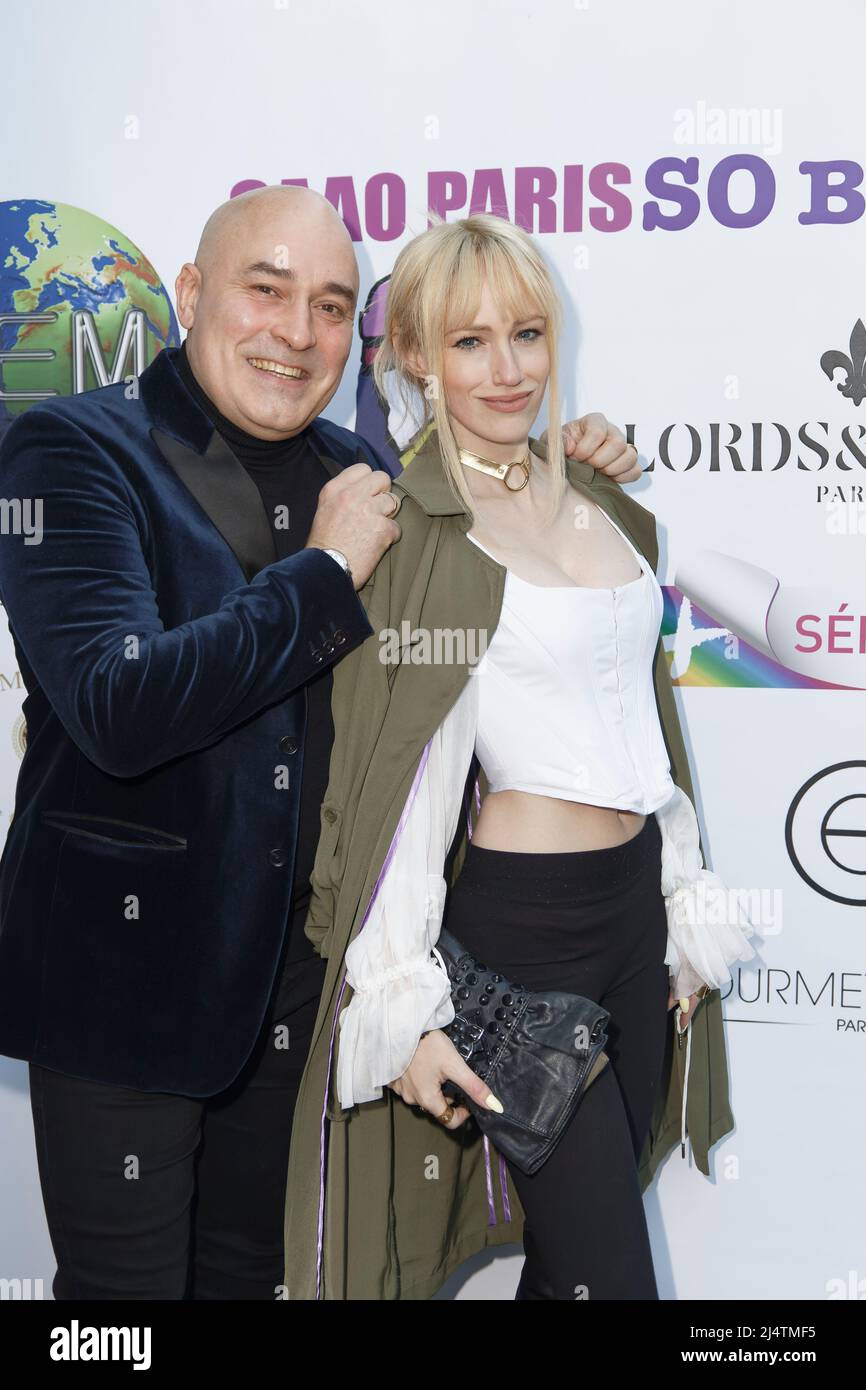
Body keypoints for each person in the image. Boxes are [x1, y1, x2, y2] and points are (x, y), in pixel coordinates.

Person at [0, 184, 632, 1299]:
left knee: (255, 1280)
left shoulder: (365, 469)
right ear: (190, 293)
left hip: (300, 999)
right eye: (266, 289)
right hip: (123, 986)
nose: (297, 331)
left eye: (332, 306)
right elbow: (117, 702)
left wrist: (566, 472)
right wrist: (326, 573)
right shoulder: (71, 451)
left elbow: (482, 565)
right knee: (116, 1307)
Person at [281, 212, 754, 1300]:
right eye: (467, 341)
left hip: (633, 920)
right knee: (611, 1279)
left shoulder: (603, 503)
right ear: (412, 358)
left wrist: (680, 901)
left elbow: (646, 732)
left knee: (570, 1267)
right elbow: (397, 788)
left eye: (526, 334)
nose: (506, 369)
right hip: (519, 939)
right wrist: (397, 1004)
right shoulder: (411, 532)